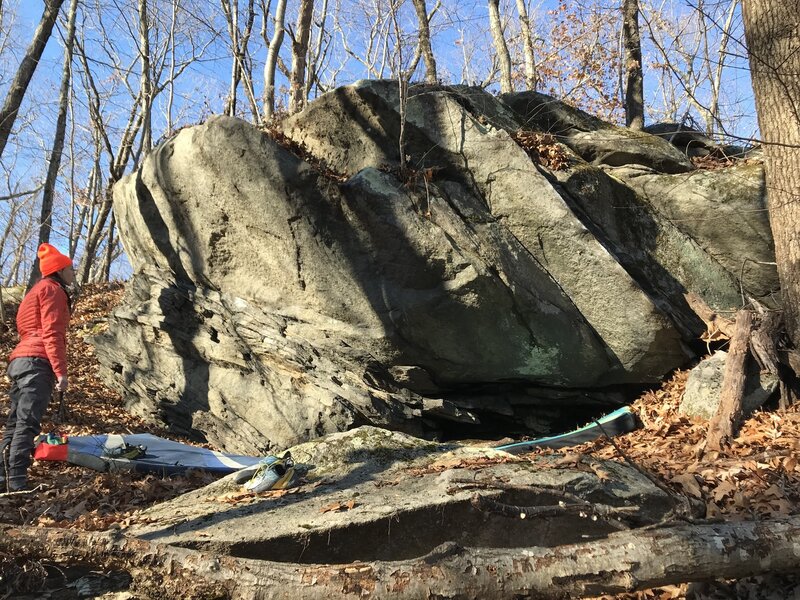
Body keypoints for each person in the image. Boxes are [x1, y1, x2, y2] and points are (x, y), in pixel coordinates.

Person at [1, 243, 73, 492]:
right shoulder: (53, 290)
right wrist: (61, 371)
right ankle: (18, 481)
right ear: (60, 270)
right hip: (37, 362)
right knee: (27, 422)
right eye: (70, 268)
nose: (73, 273)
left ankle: (3, 476)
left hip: (19, 361)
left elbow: (26, 329)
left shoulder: (33, 292)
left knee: (15, 421)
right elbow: (52, 333)